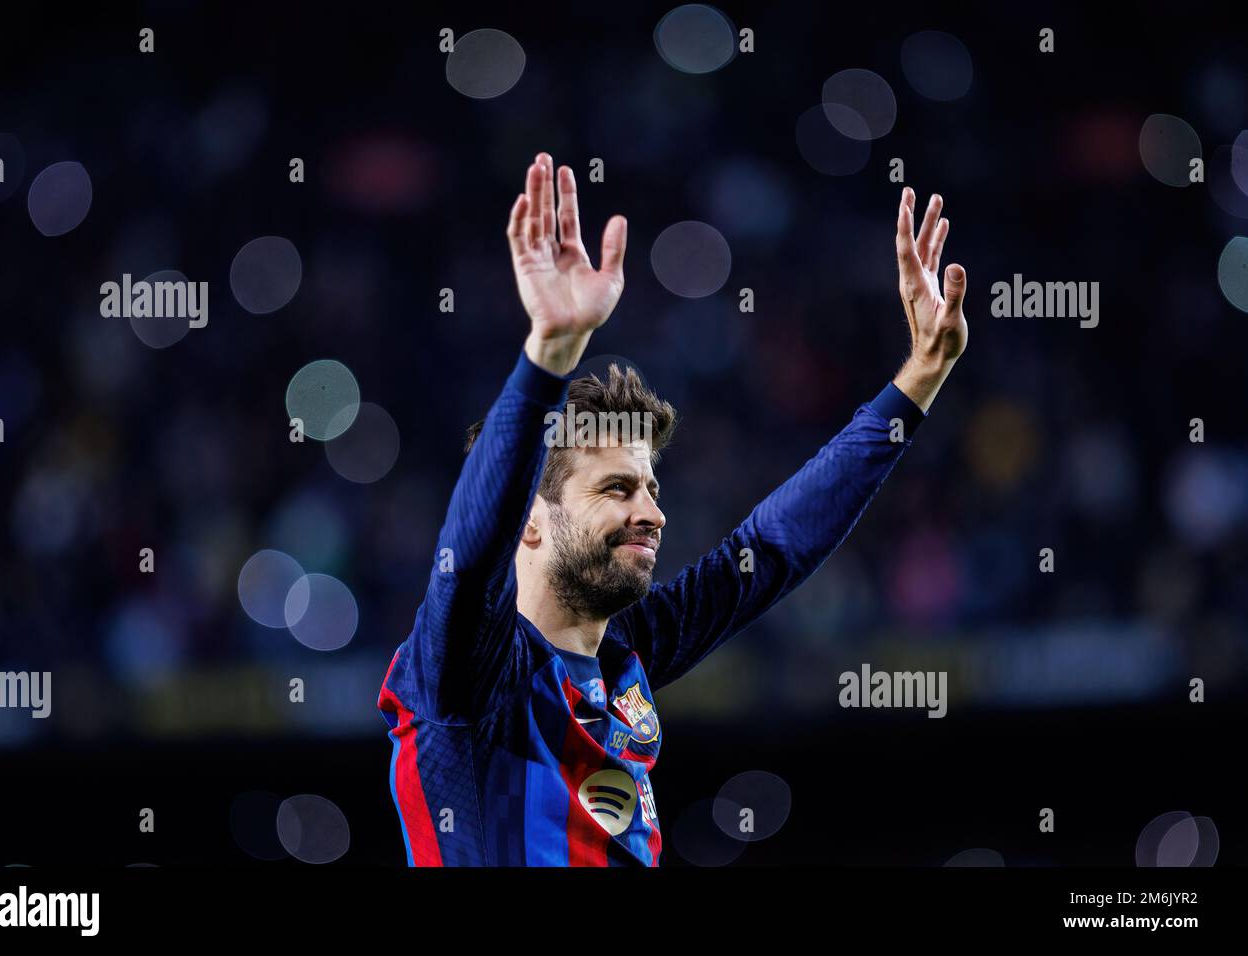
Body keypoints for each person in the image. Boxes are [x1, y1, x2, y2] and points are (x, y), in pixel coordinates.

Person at [377, 151, 968, 865]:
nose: (653, 513)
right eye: (617, 489)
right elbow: (470, 553)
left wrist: (919, 379)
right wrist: (548, 358)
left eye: (652, 488)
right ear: (529, 522)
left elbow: (770, 551)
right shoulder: (466, 671)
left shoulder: (627, 655)